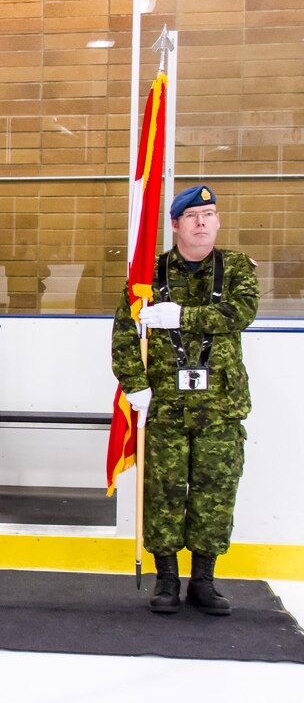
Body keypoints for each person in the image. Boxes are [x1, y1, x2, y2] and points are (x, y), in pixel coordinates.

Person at [112, 185, 258, 616]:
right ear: (175, 224)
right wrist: (134, 385)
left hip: (220, 406)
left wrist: (182, 316)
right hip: (166, 407)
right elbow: (124, 335)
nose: (202, 222)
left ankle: (205, 581)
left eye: (209, 214)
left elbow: (240, 314)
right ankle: (167, 580)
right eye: (192, 216)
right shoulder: (148, 274)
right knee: (164, 492)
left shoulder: (235, 268)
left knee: (215, 492)